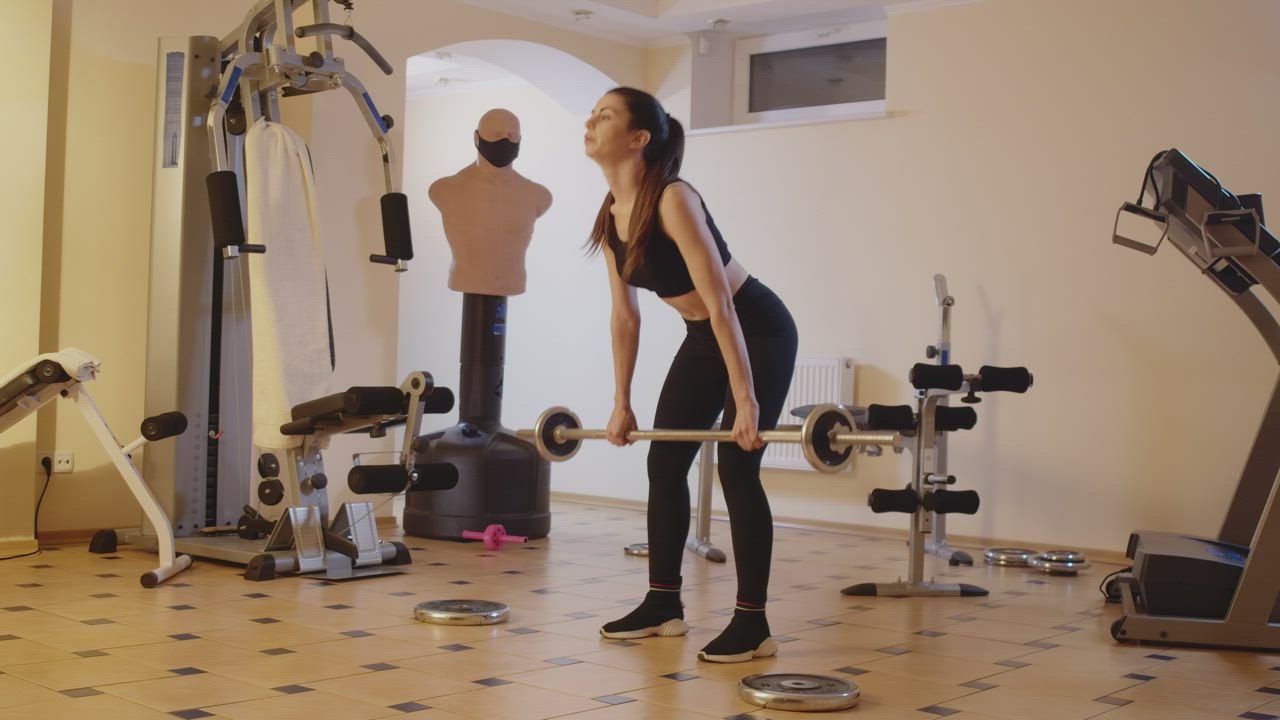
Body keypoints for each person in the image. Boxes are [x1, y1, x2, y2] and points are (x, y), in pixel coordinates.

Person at [583, 87, 798, 663]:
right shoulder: (611, 212)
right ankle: (663, 604)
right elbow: (625, 316)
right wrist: (621, 400)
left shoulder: (673, 198)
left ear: (638, 138)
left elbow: (723, 303)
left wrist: (744, 401)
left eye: (604, 115)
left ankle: (753, 623)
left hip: (758, 329)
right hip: (703, 337)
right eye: (592, 113)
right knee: (664, 461)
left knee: (737, 466)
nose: (590, 122)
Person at [429, 108, 552, 296]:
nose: (505, 141)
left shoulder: (538, 195)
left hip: (513, 283)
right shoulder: (444, 189)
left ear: (520, 140)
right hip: (466, 280)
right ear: (477, 138)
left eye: (511, 136)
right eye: (496, 135)